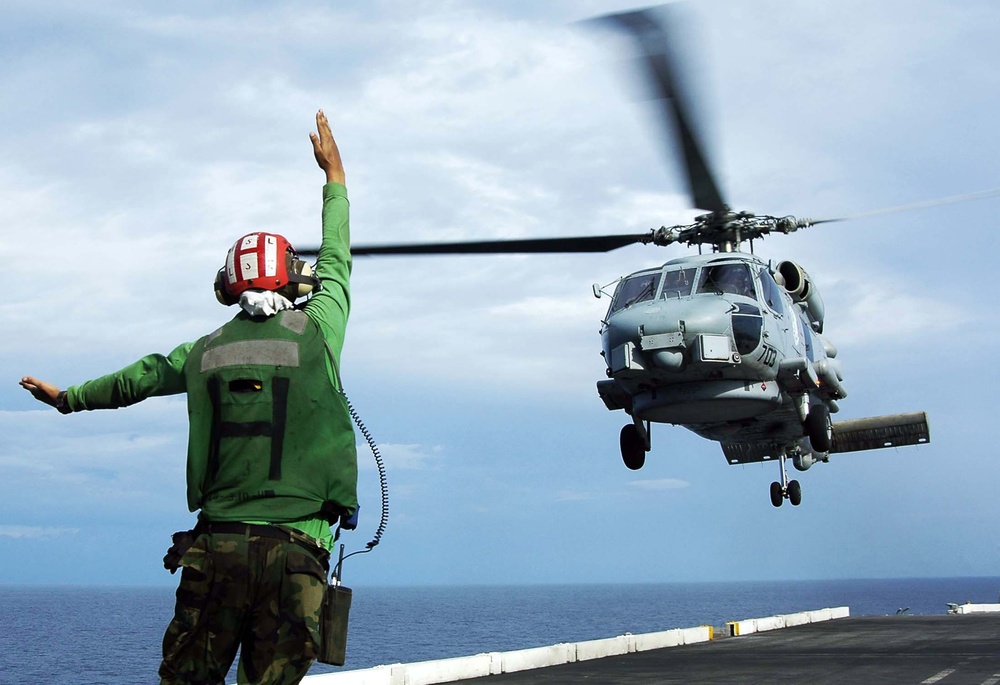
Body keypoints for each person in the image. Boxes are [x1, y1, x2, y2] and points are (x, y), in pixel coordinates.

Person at [19, 109, 357, 685]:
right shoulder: (320, 331)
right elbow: (337, 261)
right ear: (287, 280)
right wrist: (335, 177)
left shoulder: (201, 353)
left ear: (232, 285)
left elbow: (137, 380)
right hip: (297, 553)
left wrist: (68, 398)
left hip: (216, 549)